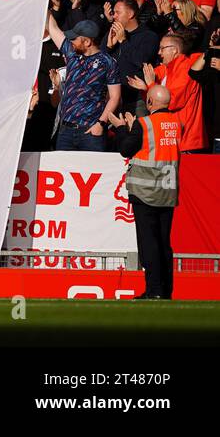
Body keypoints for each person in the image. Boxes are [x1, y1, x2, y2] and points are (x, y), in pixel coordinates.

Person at [108, 84, 180, 300]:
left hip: (146, 191)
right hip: (168, 192)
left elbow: (125, 149)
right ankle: (165, 291)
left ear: (150, 102)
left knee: (149, 243)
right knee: (164, 243)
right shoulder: (176, 122)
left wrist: (122, 128)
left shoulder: (144, 123)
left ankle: (154, 290)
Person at [46, 15, 121, 151]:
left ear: (87, 42)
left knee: (93, 171)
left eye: (75, 39)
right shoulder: (71, 54)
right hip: (66, 131)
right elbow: (52, 27)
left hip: (91, 132)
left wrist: (100, 124)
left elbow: (115, 97)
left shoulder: (108, 62)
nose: (71, 41)